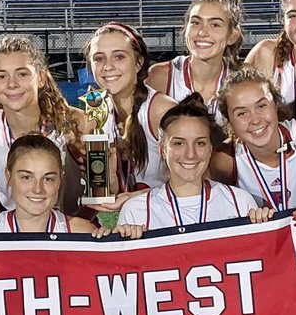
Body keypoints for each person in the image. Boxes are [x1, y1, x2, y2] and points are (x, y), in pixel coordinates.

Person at [114, 97, 272, 234]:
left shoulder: (240, 203)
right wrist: (127, 242)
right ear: (162, 149)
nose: (190, 154)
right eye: (179, 143)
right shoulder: (136, 212)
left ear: (211, 148)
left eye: (200, 143)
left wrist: (266, 229)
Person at [0, 35, 82, 219]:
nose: (12, 84)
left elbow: (100, 190)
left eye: (22, 74)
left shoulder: (76, 124)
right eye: (2, 76)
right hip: (17, 237)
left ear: (41, 78)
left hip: (75, 232)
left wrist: (75, 227)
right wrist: (7, 230)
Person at [219, 69, 296, 232]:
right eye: (242, 113)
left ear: (275, 105)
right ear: (229, 121)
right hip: (262, 251)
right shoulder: (225, 158)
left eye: (261, 106)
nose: (255, 120)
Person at [82, 21, 164, 210]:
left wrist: (137, 197)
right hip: (133, 223)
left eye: (119, 57)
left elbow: (195, 182)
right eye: (99, 58)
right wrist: (109, 185)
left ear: (138, 62)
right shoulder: (100, 111)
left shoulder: (159, 111)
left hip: (171, 223)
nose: (108, 66)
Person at [0, 135, 98, 235]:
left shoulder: (81, 232)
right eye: (26, 177)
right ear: (9, 176)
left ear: (60, 179)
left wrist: (114, 242)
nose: (37, 189)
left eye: (48, 179)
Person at [147, 0, 244, 117]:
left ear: (232, 35)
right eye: (195, 22)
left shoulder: (243, 80)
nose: (202, 32)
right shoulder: (160, 77)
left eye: (215, 25)